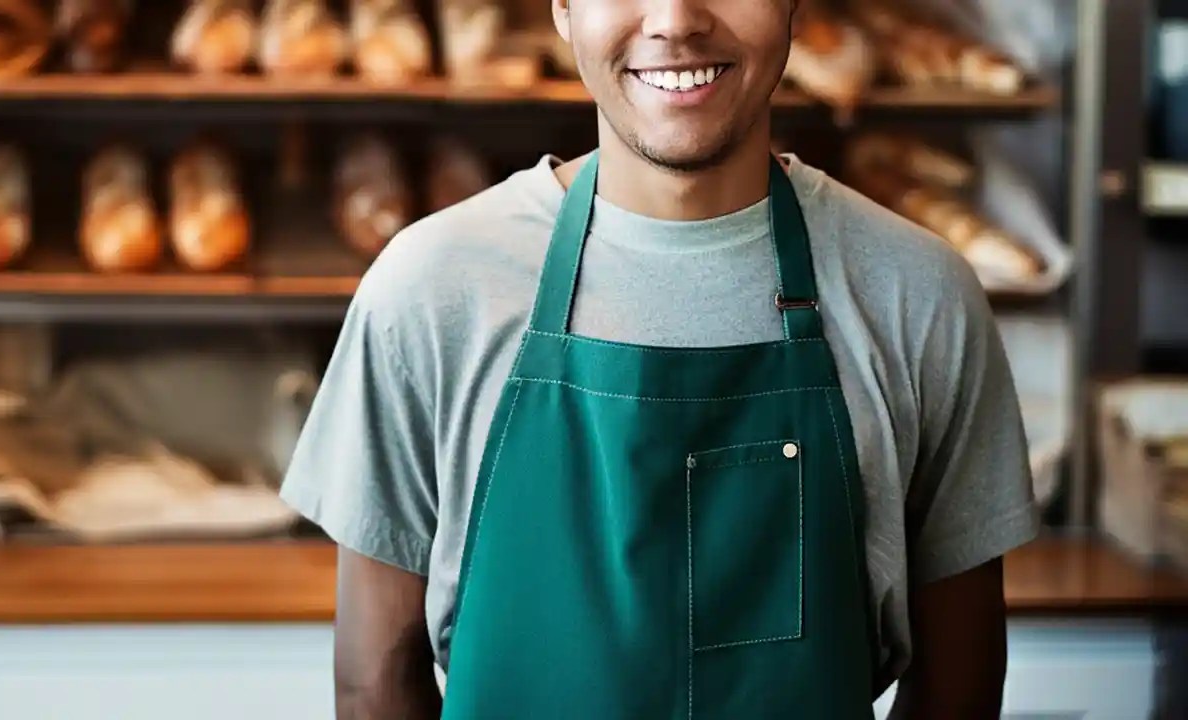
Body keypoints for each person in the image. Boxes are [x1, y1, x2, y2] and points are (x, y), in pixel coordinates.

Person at [280, 0, 1040, 717]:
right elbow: (375, 683)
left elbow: (959, 687)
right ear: (563, 8)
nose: (676, 21)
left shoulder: (919, 294)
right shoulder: (431, 288)